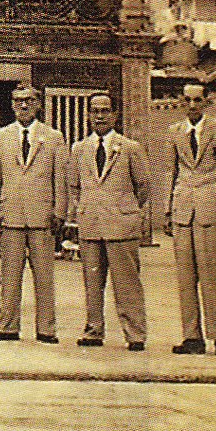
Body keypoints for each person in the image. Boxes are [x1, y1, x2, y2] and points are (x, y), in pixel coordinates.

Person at [67, 93, 149, 351]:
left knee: (127, 282)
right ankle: (93, 330)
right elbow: (74, 186)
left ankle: (135, 334)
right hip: (91, 223)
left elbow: (143, 186)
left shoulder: (130, 148)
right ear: (88, 115)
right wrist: (86, 208)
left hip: (121, 225)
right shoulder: (79, 149)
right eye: (94, 111)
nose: (99, 116)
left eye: (105, 110)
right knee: (92, 281)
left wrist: (124, 209)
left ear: (115, 114)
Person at [0, 84, 66, 344]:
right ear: (11, 105)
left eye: (29, 101)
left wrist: (60, 211)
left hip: (42, 215)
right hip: (11, 214)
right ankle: (7, 326)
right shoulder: (0, 137)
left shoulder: (53, 137)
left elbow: (60, 178)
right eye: (18, 101)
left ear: (38, 105)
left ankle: (46, 329)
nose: (23, 105)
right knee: (10, 274)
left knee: (44, 276)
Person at [164, 83, 216, 356]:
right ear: (181, 102)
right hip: (183, 209)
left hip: (210, 208)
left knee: (212, 275)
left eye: (197, 100)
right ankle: (191, 337)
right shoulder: (174, 132)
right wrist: (167, 210)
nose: (192, 105)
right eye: (187, 100)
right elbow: (170, 173)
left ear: (206, 101)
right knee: (185, 276)